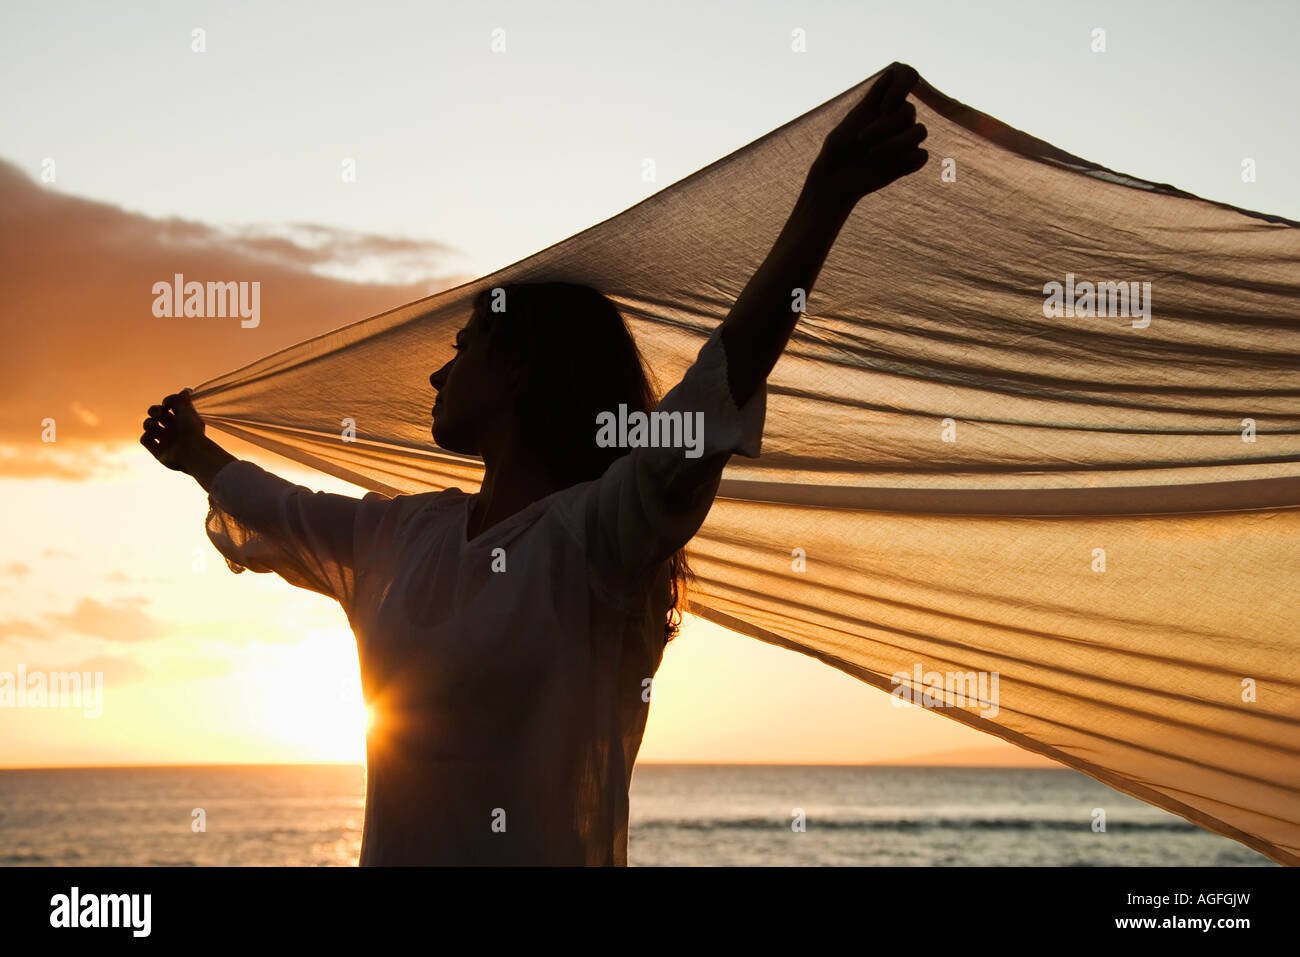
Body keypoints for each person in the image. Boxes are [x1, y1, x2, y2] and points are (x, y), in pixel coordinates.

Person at [140, 64, 928, 865]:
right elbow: (284, 508)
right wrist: (197, 453)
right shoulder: (403, 534)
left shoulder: (593, 542)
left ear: (519, 367)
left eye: (462, 347)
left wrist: (825, 199)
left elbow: (714, 391)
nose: (438, 375)